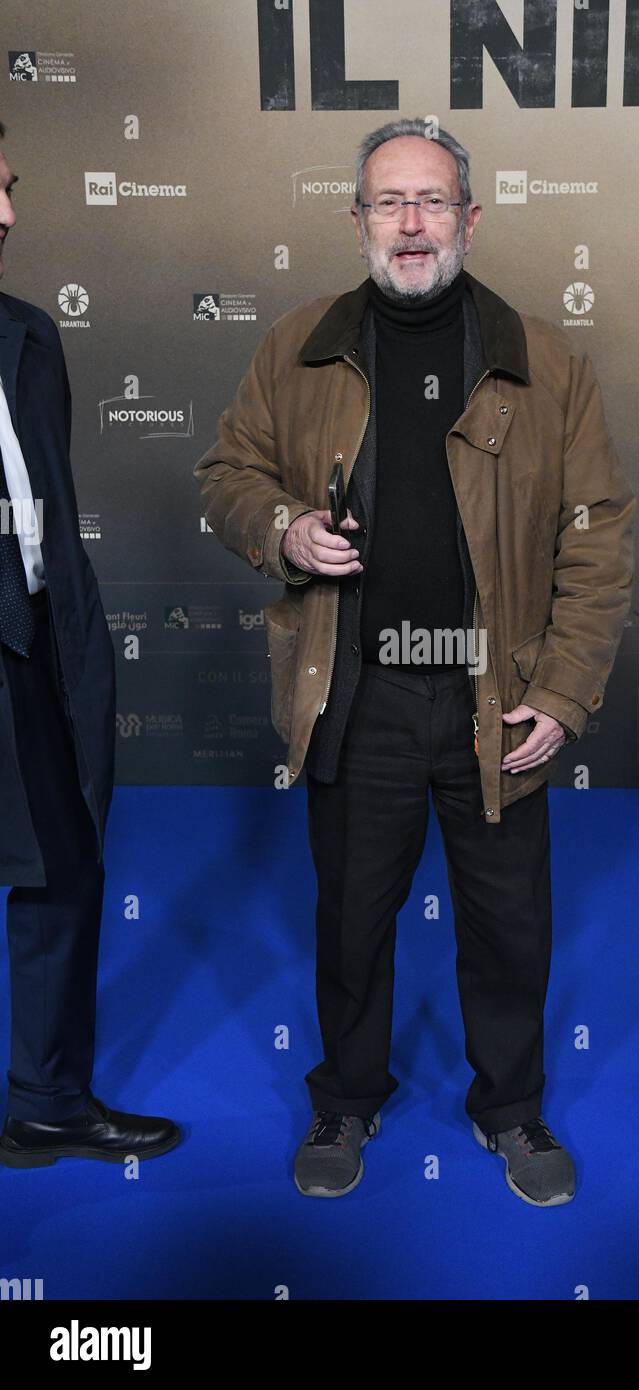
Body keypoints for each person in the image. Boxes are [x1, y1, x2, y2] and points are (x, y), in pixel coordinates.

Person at [194, 118, 635, 1206]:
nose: (408, 223)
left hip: (496, 694)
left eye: (430, 201)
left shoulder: (543, 358)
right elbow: (225, 473)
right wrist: (284, 528)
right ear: (355, 221)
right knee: (349, 916)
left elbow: (597, 536)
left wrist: (566, 688)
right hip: (356, 687)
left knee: (508, 925)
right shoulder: (297, 346)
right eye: (387, 202)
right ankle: (344, 1101)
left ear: (469, 219)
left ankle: (512, 1113)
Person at [0, 120, 180, 1168]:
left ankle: (46, 1102)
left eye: (13, 189)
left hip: (30, 646)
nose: (12, 215)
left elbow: (45, 512)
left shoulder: (30, 335)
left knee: (63, 868)